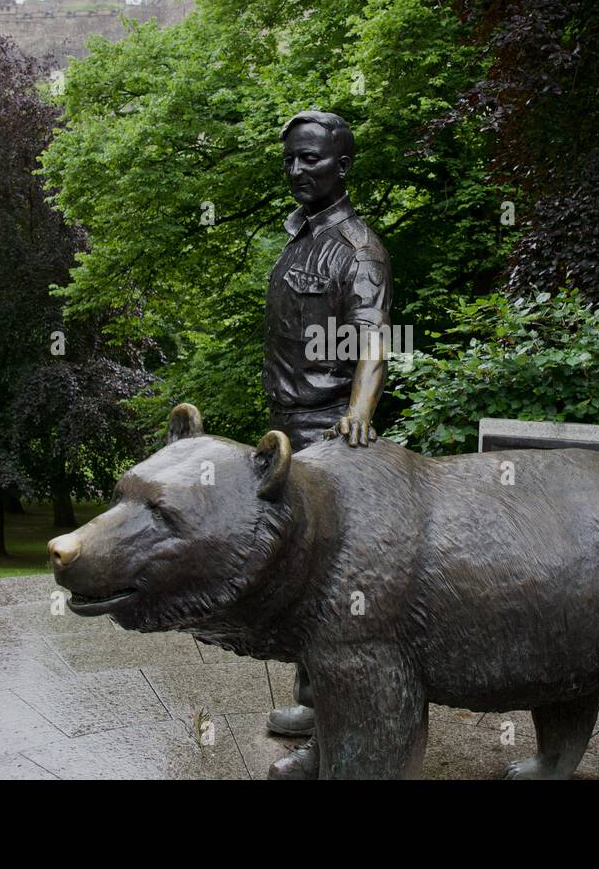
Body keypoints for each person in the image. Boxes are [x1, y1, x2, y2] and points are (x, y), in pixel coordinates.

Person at [262, 110, 391, 778]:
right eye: (290, 159)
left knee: (332, 597)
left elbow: (374, 341)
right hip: (288, 429)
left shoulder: (357, 248)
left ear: (342, 165)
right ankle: (314, 703)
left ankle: (333, 740)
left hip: (328, 432)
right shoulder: (297, 239)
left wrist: (361, 413)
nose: (296, 170)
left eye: (310, 159)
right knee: (299, 583)